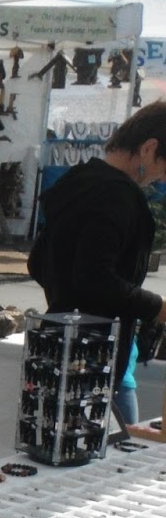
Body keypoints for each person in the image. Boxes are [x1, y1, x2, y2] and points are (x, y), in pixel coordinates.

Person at [28, 101, 166, 425]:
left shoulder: (77, 183)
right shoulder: (117, 196)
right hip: (95, 356)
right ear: (149, 148)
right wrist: (157, 307)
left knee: (57, 446)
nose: (162, 179)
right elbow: (96, 278)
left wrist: (63, 293)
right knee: (99, 452)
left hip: (59, 341)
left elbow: (37, 263)